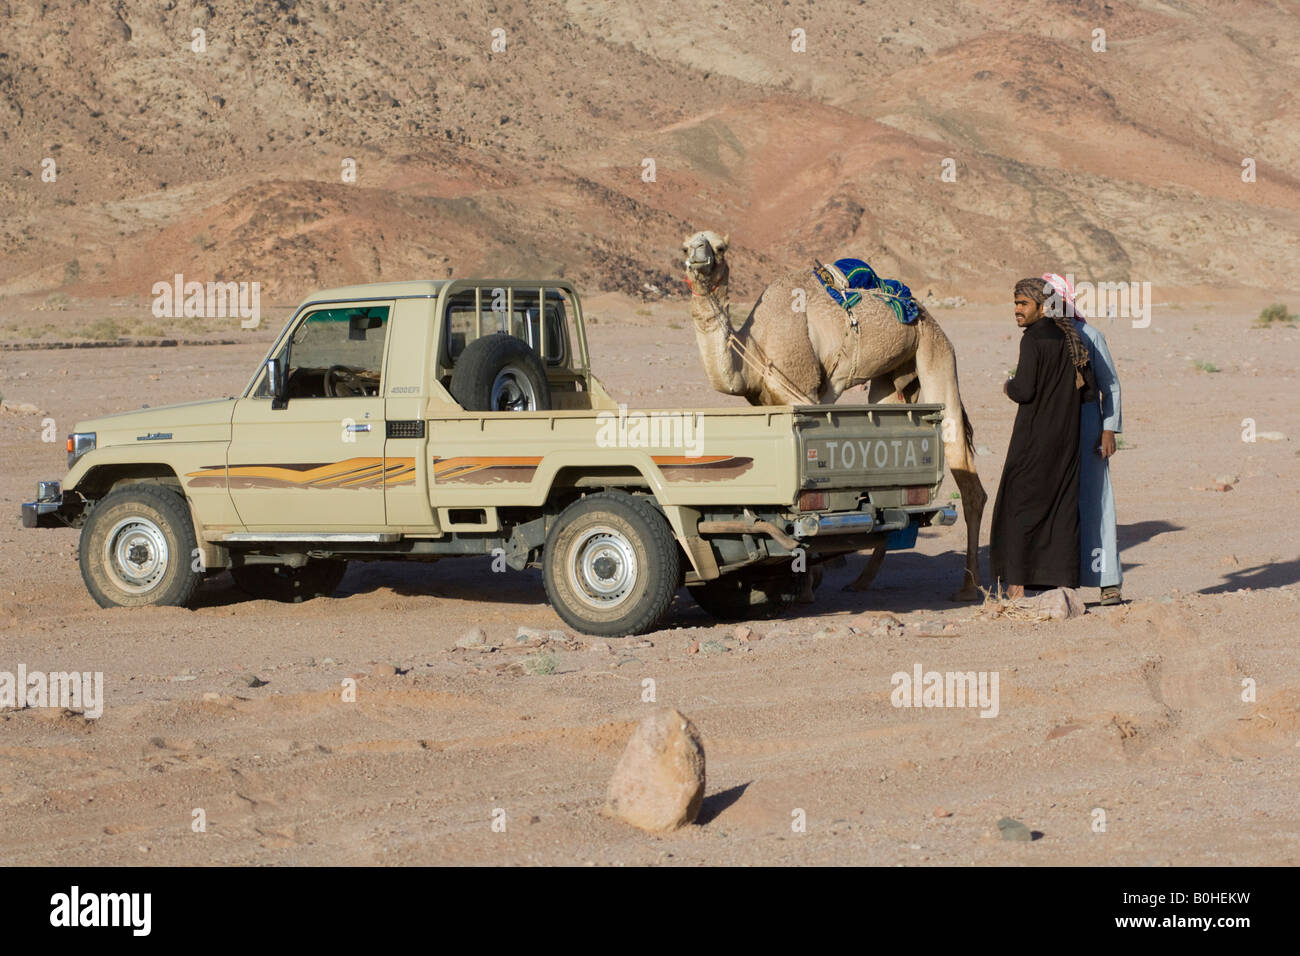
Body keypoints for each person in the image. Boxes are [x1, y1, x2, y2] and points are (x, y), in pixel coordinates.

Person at [990, 278, 1096, 599]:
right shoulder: (1071, 338)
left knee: (1019, 506)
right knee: (1062, 508)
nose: (1017, 310)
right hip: (1066, 440)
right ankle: (1062, 582)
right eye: (1015, 303)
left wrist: (1008, 385)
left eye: (1023, 304)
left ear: (1042, 305)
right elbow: (1089, 392)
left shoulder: (1033, 340)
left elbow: (1024, 390)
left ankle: (1018, 586)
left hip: (1033, 440)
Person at [1041, 273, 1124, 605]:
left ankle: (1108, 582)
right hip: (1052, 429)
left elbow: (1111, 386)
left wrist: (1108, 429)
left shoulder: (1090, 335)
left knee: (1096, 501)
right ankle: (1058, 578)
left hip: (1088, 424)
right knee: (1056, 502)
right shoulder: (1040, 339)